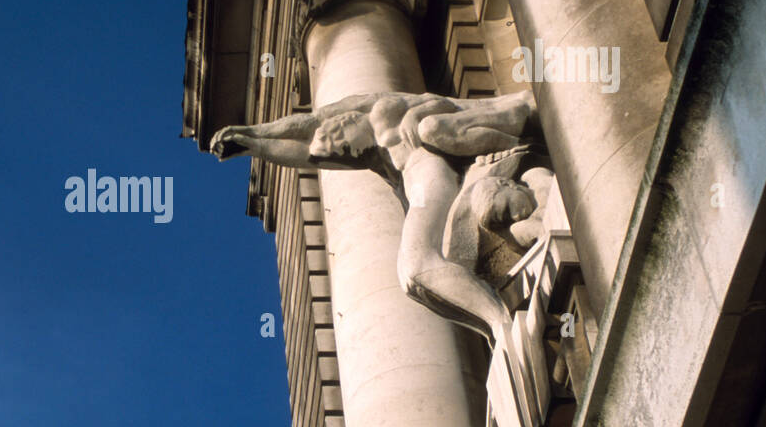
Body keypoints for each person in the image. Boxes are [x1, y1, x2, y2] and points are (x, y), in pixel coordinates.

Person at [210, 91, 540, 345]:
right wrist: (253, 143)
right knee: (414, 278)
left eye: (335, 130)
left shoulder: (384, 111)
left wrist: (251, 129)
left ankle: (502, 324)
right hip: (421, 180)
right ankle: (498, 324)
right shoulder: (380, 155)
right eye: (336, 143)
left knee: (417, 267)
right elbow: (306, 148)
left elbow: (315, 119)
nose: (333, 131)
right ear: (354, 154)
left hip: (432, 172)